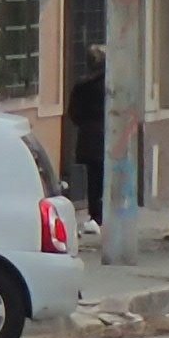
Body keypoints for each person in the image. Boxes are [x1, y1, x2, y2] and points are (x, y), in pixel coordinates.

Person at [67, 41, 107, 226]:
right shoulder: (110, 85)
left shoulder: (82, 85)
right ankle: (106, 212)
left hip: (89, 137)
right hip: (109, 138)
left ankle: (95, 214)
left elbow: (74, 114)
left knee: (94, 179)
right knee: (108, 176)